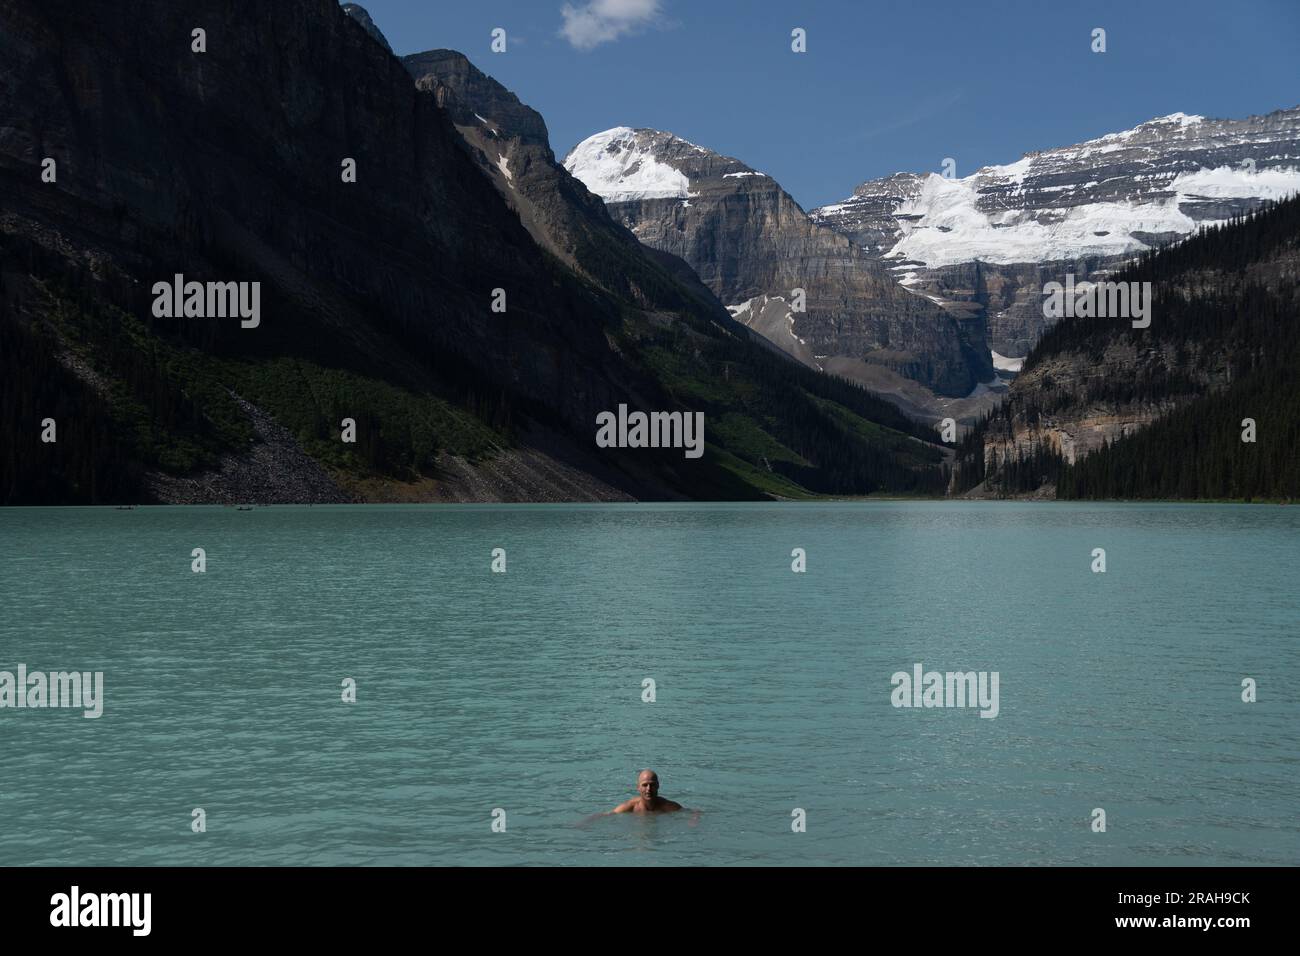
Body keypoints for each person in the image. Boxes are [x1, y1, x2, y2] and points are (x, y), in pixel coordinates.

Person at [610, 769, 683, 814]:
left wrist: (693, 819)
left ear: (658, 786)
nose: (648, 789)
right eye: (645, 785)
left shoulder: (667, 806)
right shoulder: (631, 807)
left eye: (652, 785)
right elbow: (608, 815)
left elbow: (690, 813)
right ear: (638, 787)